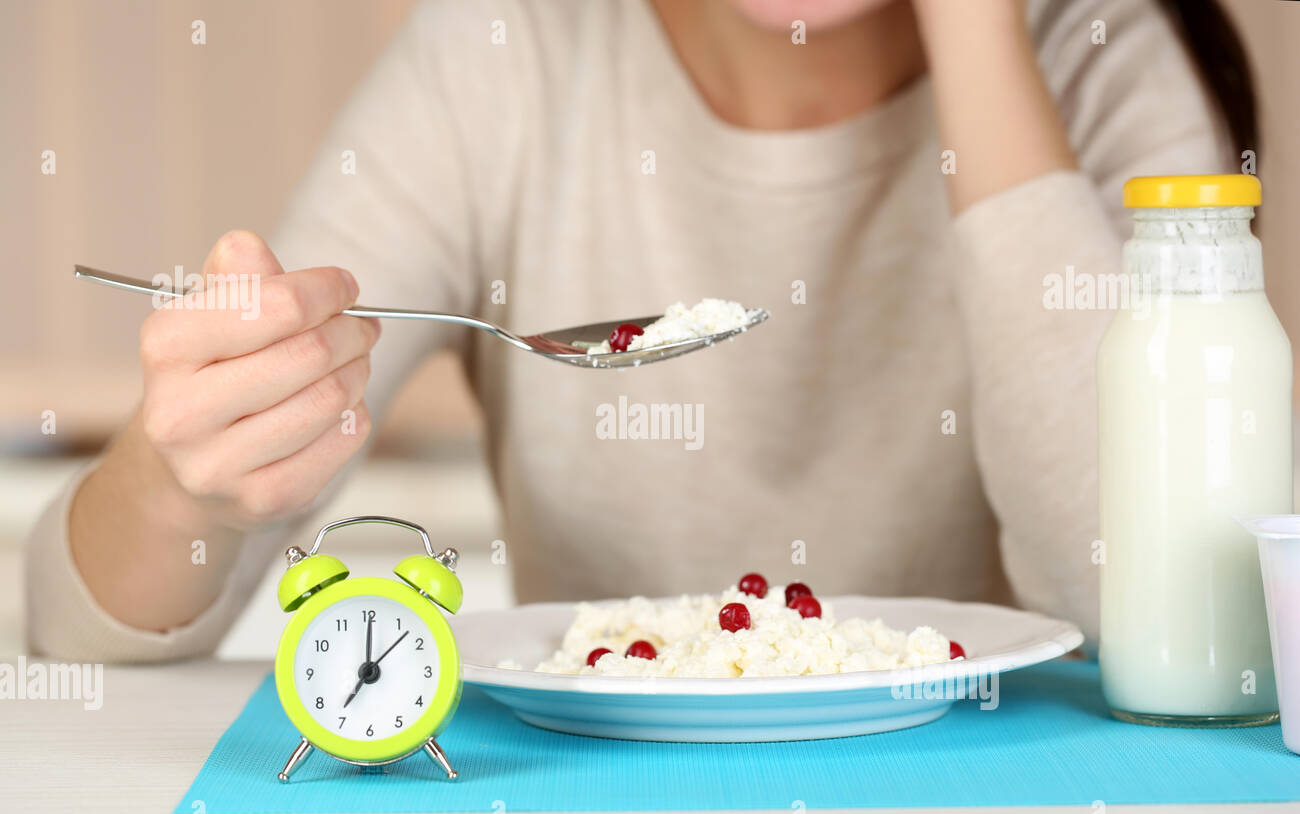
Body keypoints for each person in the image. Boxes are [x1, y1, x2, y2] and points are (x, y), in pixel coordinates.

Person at [25, 0, 1254, 661]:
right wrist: (187, 485)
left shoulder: (1103, 53)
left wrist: (979, 27)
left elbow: (1165, 613)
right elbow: (83, 629)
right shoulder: (497, 57)